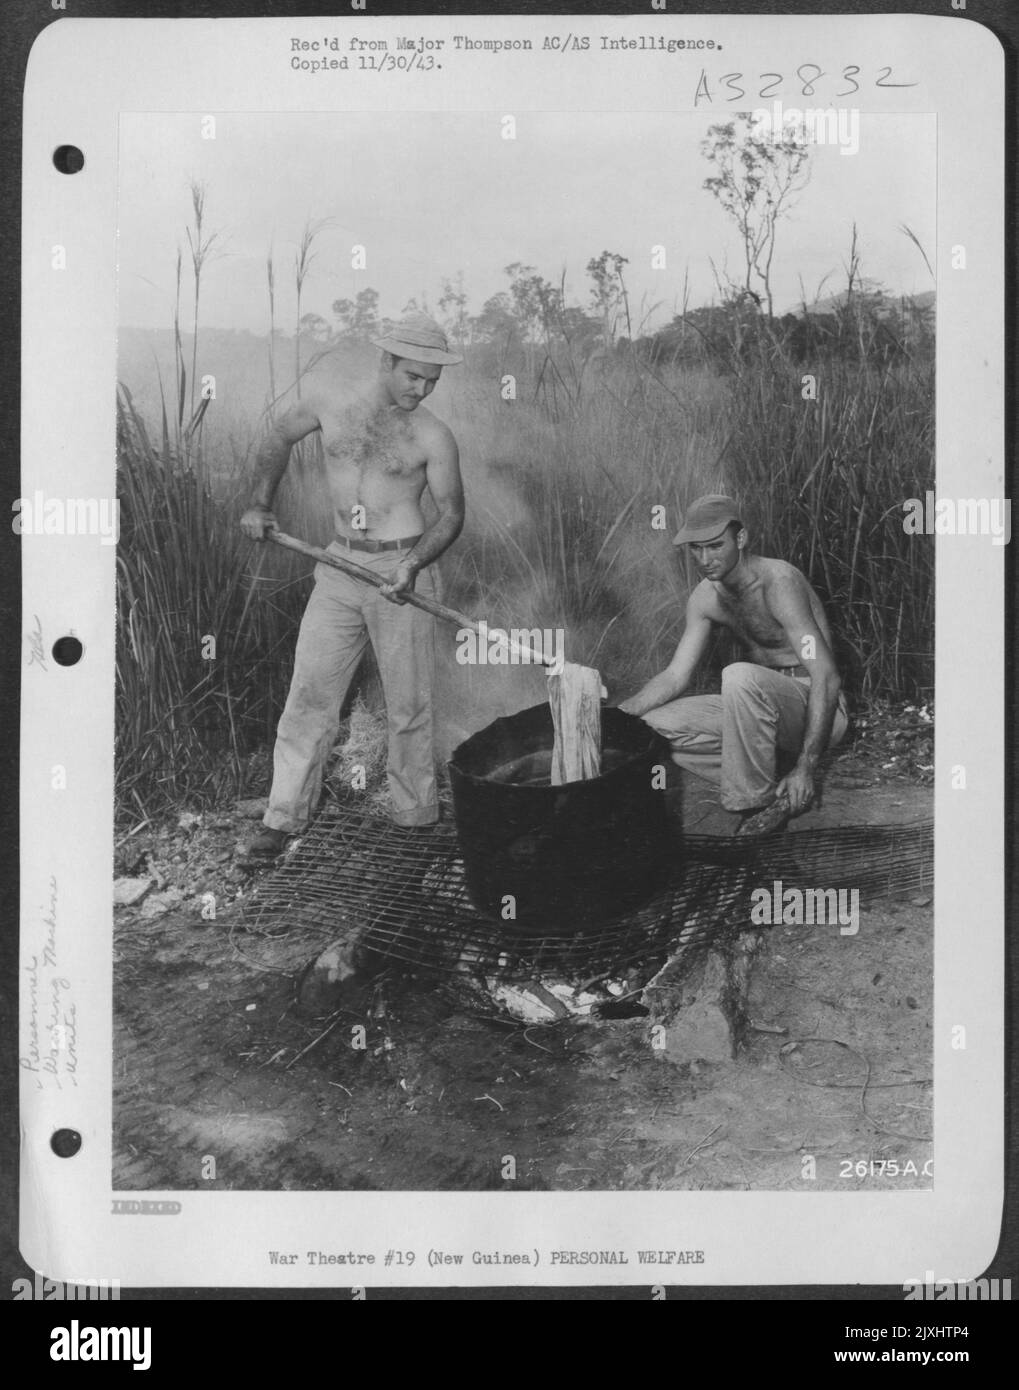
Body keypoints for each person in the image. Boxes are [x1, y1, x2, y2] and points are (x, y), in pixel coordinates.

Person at [239, 312, 465, 857]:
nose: (422, 388)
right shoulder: (328, 403)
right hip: (339, 566)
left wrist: (412, 566)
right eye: (413, 375)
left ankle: (414, 818)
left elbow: (453, 514)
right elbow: (278, 436)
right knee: (311, 692)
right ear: (385, 361)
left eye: (432, 380)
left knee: (409, 703)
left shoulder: (432, 433)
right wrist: (259, 504)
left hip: (402, 572)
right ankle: (283, 816)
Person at [618, 494, 848, 835]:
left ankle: (753, 807)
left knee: (738, 676)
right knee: (651, 727)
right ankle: (765, 769)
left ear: (740, 539)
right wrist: (620, 716)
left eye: (715, 546)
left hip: (814, 703)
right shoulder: (705, 597)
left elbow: (825, 675)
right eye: (696, 548)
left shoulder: (778, 583)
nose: (705, 559)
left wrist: (806, 766)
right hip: (756, 709)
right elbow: (675, 675)